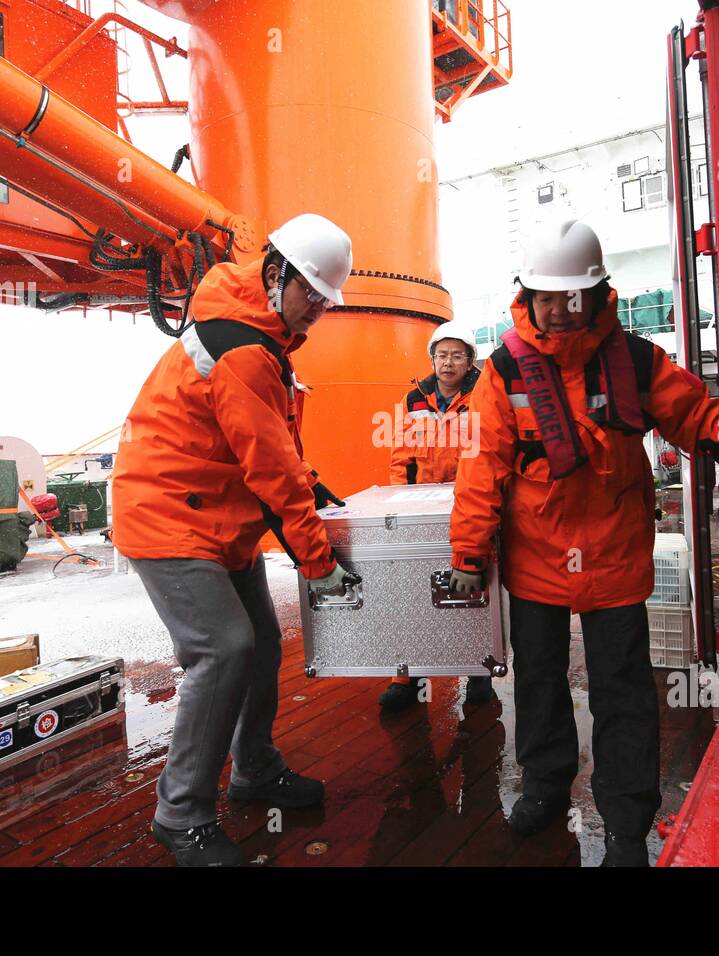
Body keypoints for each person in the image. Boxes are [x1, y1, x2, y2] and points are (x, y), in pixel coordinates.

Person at [448, 220, 719, 867]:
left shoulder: (638, 361)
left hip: (614, 560)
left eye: (573, 296)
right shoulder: (502, 372)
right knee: (537, 680)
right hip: (535, 562)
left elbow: (701, 414)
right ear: (526, 295)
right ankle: (543, 785)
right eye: (547, 296)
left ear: (598, 294)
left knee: (622, 690)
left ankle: (625, 823)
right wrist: (470, 556)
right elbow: (481, 470)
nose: (560, 310)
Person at [111, 213, 361, 867]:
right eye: (313, 295)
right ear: (276, 275)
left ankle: (254, 768)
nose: (317, 313)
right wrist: (318, 562)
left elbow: (271, 448)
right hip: (169, 515)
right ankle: (182, 813)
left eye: (326, 303)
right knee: (223, 650)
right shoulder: (245, 349)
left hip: (215, 516)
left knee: (261, 642)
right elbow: (270, 470)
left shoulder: (255, 337)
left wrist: (313, 486)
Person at [380, 320, 493, 711]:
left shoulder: (485, 396)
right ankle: (407, 676)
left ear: (469, 360)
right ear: (432, 359)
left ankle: (479, 670)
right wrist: (399, 503)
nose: (448, 363)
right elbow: (400, 458)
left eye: (456, 355)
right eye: (442, 355)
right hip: (419, 509)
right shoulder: (413, 400)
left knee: (473, 590)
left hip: (471, 505)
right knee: (412, 593)